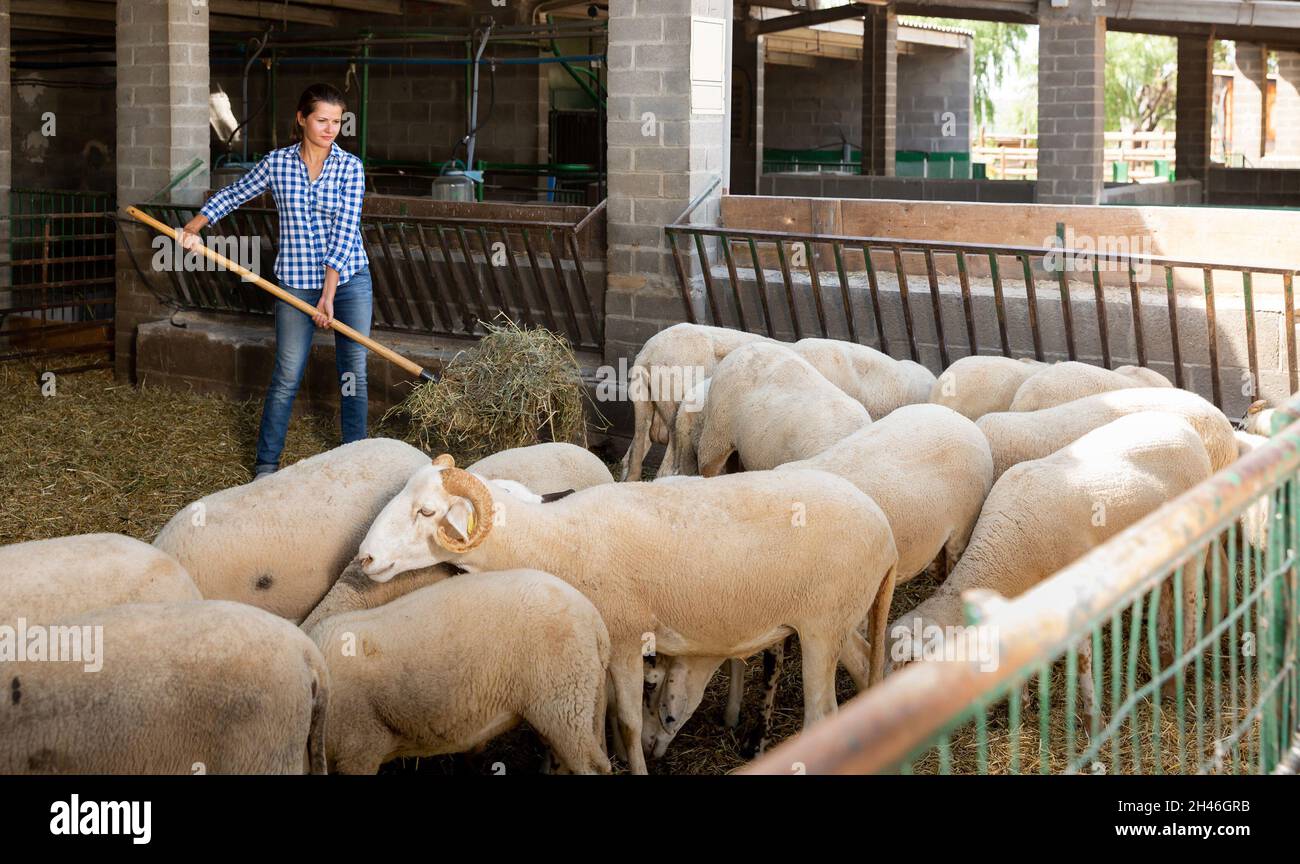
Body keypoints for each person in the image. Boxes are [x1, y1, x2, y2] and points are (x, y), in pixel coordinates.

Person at [178, 83, 371, 480]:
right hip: (295, 282)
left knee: (353, 371)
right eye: (322, 120)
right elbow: (234, 194)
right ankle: (266, 466)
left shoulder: (350, 167)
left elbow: (346, 231)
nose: (330, 128)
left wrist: (329, 295)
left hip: (348, 281)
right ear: (301, 118)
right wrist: (195, 224)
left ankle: (356, 462)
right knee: (286, 373)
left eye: (336, 121)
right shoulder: (277, 163)